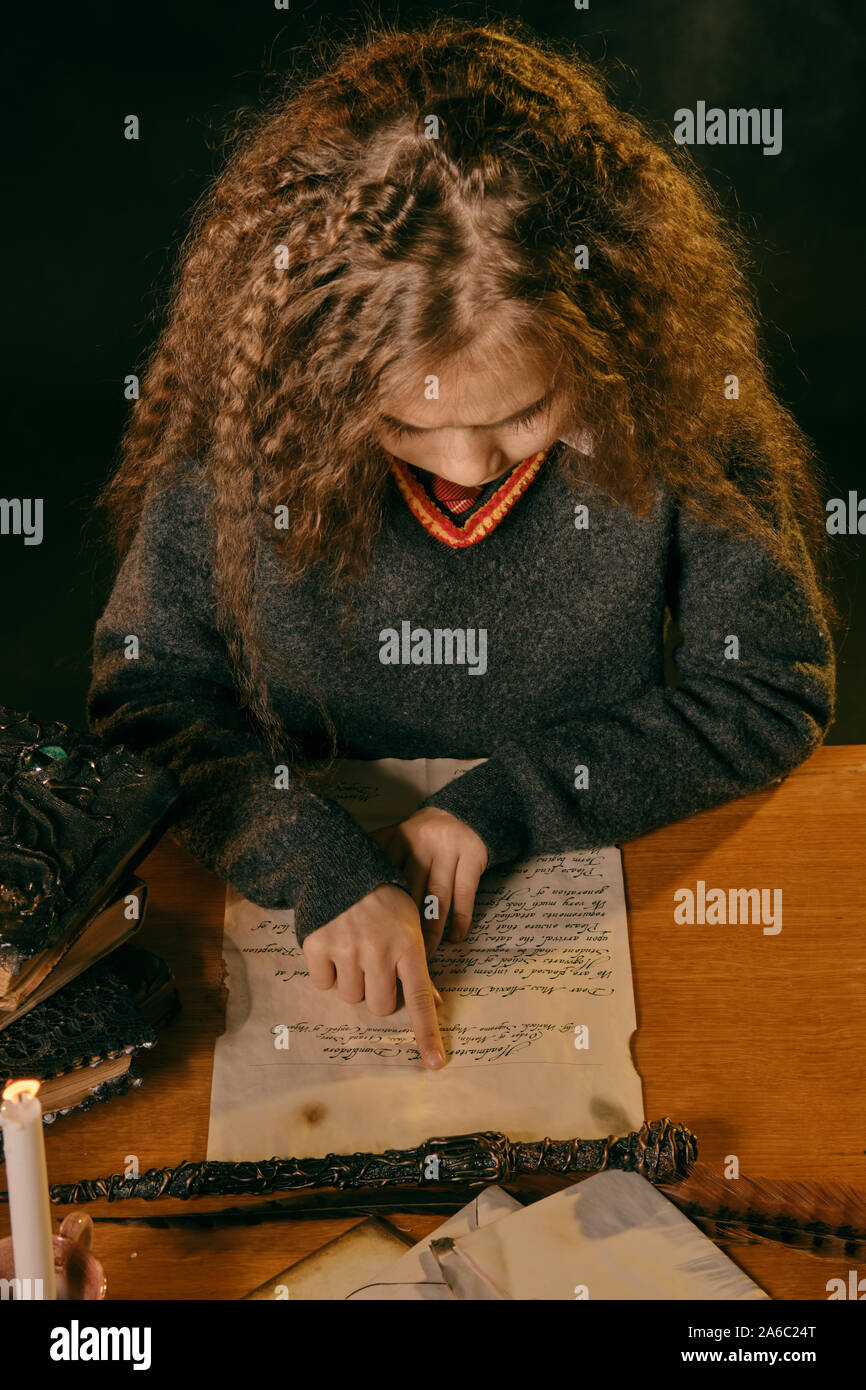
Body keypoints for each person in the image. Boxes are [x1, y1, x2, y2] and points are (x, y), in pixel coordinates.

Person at [87, 18, 837, 1072]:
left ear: (608, 330)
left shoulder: (671, 402)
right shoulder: (256, 419)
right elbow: (149, 689)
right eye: (402, 427)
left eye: (523, 415)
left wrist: (508, 803)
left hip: (604, 869)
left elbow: (767, 686)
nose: (468, 467)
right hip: (301, 872)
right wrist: (309, 858)